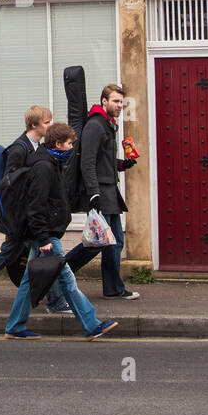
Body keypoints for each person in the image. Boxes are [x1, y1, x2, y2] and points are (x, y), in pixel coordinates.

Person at [5, 123, 118, 340]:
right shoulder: (44, 167)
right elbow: (35, 206)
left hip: (46, 233)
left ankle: (15, 326)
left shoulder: (51, 162)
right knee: (67, 280)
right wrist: (43, 238)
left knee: (30, 281)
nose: (71, 148)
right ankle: (92, 324)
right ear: (57, 144)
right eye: (68, 144)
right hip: (46, 235)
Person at [0, 106, 72, 314]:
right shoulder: (19, 149)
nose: (50, 126)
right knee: (45, 252)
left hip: (25, 216)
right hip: (19, 217)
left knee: (11, 254)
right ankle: (55, 301)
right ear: (34, 125)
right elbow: (9, 185)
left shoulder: (34, 146)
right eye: (47, 122)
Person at [64, 84, 139, 299]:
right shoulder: (95, 125)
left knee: (112, 241)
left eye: (121, 102)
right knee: (97, 242)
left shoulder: (107, 124)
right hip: (101, 192)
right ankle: (60, 273)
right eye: (115, 101)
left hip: (109, 190)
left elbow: (102, 160)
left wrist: (122, 165)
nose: (119, 106)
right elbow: (87, 163)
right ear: (104, 101)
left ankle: (113, 288)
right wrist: (94, 193)